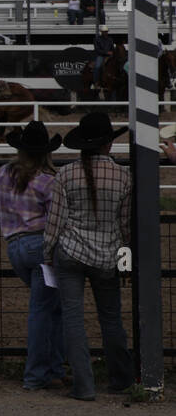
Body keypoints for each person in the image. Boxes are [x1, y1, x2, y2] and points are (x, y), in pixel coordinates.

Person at [44, 112, 134, 400]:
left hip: (71, 252)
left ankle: (83, 385)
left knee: (73, 318)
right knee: (111, 319)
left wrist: (47, 253)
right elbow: (125, 225)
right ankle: (121, 378)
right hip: (107, 254)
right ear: (108, 145)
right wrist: (124, 255)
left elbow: (55, 221)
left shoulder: (66, 174)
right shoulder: (123, 176)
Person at [0, 121, 65, 391]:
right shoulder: (49, 180)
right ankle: (37, 375)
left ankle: (54, 369)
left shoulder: (4, 173)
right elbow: (57, 219)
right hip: (42, 246)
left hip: (15, 246)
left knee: (48, 309)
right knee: (44, 310)